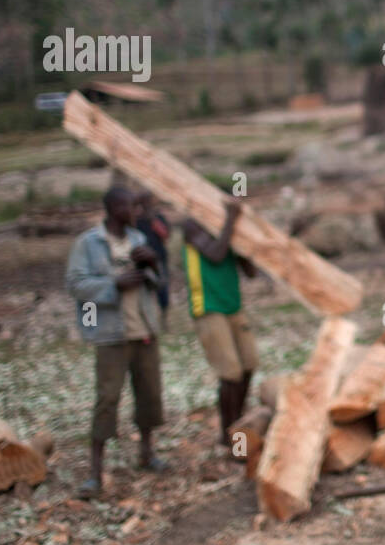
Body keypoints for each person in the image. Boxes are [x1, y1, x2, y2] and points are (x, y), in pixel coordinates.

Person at [66, 186, 168, 499]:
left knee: (149, 393)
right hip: (110, 334)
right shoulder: (89, 243)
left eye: (135, 206)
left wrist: (152, 265)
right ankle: (95, 473)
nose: (134, 211)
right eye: (128, 206)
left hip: (144, 329)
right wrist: (114, 284)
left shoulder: (138, 240)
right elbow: (76, 285)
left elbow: (158, 283)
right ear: (112, 208)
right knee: (108, 398)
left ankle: (147, 454)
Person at [182, 200, 259, 449]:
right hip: (208, 307)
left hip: (233, 305)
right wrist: (231, 221)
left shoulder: (228, 229)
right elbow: (215, 255)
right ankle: (228, 434)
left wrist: (246, 245)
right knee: (230, 373)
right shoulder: (191, 225)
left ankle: (239, 421)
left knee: (249, 365)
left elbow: (250, 272)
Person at [134, 190, 172, 325]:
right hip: (140, 260)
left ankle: (164, 318)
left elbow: (165, 234)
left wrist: (152, 219)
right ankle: (146, 319)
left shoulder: (157, 217)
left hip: (159, 258)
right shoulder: (135, 219)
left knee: (162, 288)